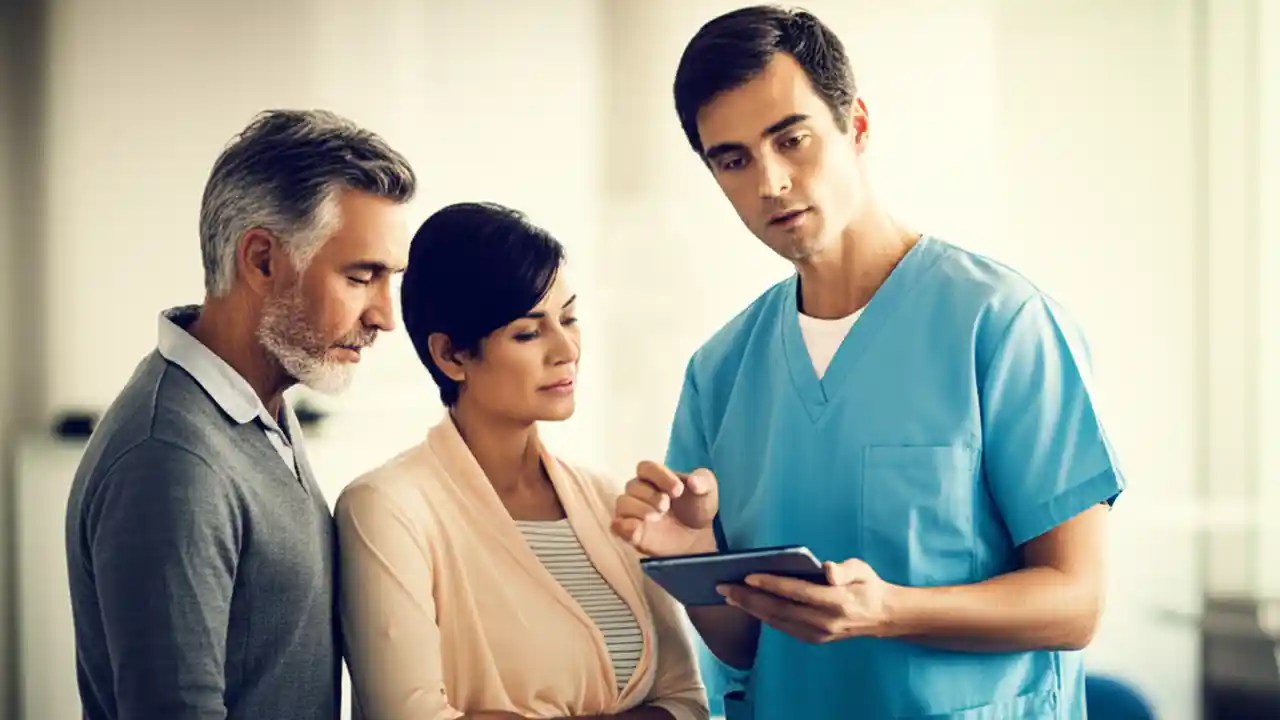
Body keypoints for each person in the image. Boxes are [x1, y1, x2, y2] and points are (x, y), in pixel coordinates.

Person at [611, 6, 1125, 719]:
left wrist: (890, 610)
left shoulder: (1001, 325)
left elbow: (1076, 603)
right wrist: (691, 549)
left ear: (855, 125)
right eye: (732, 160)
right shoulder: (720, 372)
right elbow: (742, 647)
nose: (771, 182)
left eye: (791, 140)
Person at [64, 109, 416, 720]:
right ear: (260, 260)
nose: (386, 315)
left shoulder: (262, 404)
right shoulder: (169, 460)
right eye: (362, 277)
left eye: (392, 280)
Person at [335, 202, 709, 720]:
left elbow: (687, 702)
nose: (566, 349)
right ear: (451, 356)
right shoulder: (387, 508)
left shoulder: (609, 501)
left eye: (570, 318)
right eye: (529, 333)